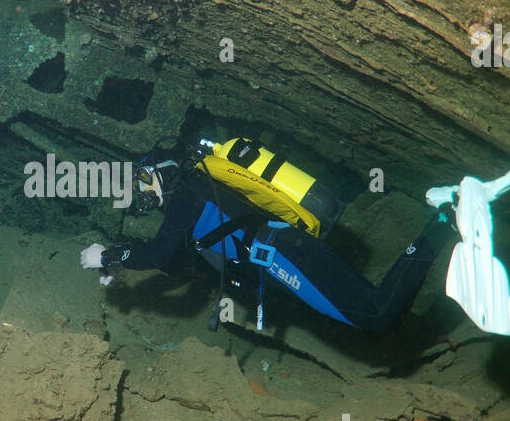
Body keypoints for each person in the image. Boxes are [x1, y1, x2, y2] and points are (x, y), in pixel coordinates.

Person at [79, 141, 459, 334]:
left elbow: (159, 253)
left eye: (141, 179)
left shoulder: (188, 190)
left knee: (376, 314)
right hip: (286, 249)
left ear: (162, 170)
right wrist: (121, 258)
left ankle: (445, 219)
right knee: (376, 309)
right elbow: (175, 262)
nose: (139, 190)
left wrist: (109, 255)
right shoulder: (191, 200)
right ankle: (444, 217)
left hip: (281, 255)